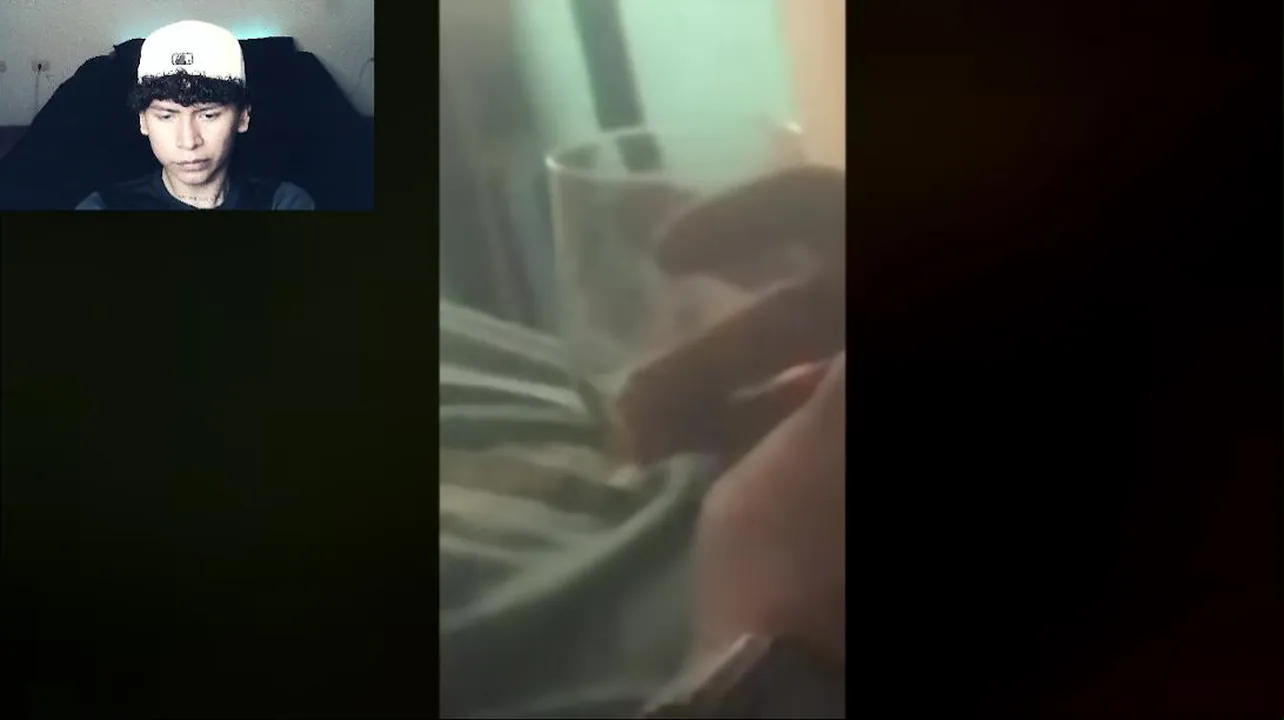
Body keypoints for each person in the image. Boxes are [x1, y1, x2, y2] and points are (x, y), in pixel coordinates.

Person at [75, 20, 314, 211]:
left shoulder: (282, 202)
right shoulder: (103, 207)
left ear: (243, 117)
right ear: (143, 121)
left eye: (208, 115)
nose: (189, 142)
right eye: (167, 116)